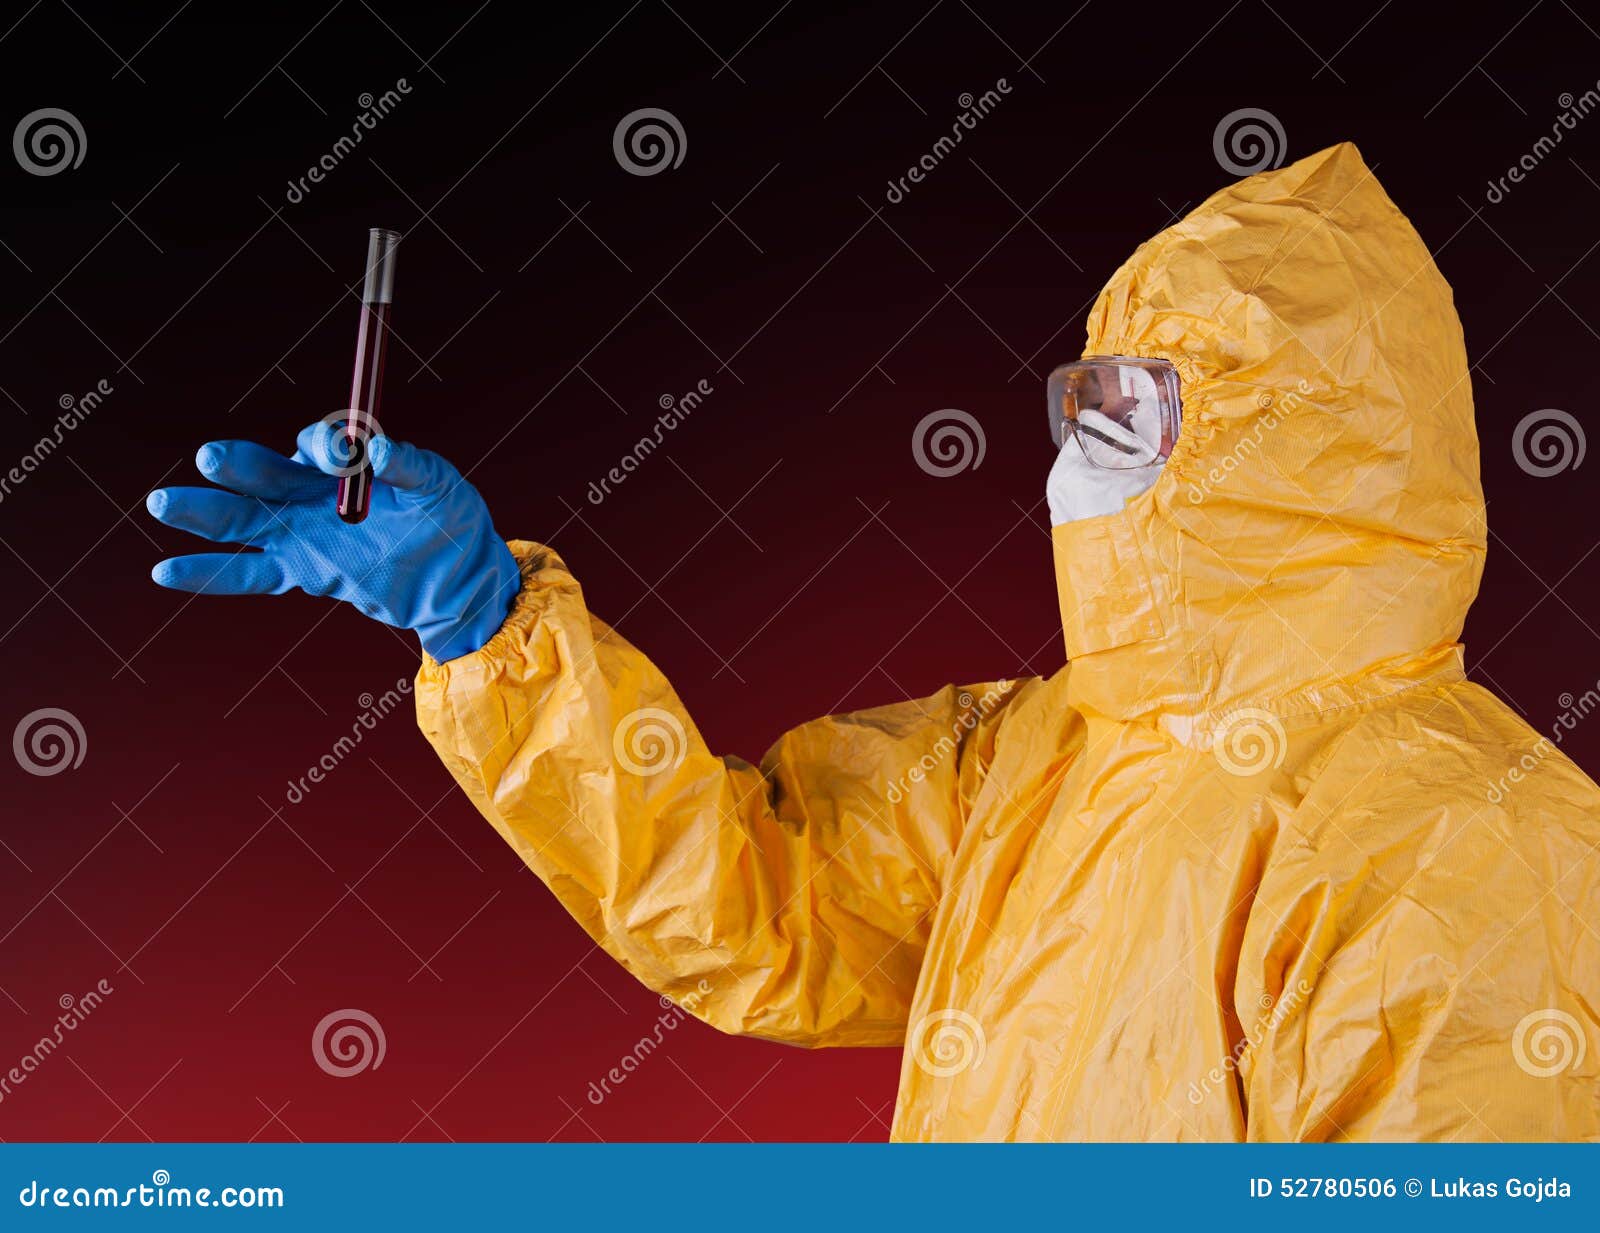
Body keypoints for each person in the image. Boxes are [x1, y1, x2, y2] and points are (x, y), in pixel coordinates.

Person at [148, 143, 1600, 1140]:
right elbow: (759, 904)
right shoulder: (1037, 760)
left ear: (1312, 455)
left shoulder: (1473, 847)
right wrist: (485, 624)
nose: (1078, 461)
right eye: (1084, 405)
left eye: (1140, 413)